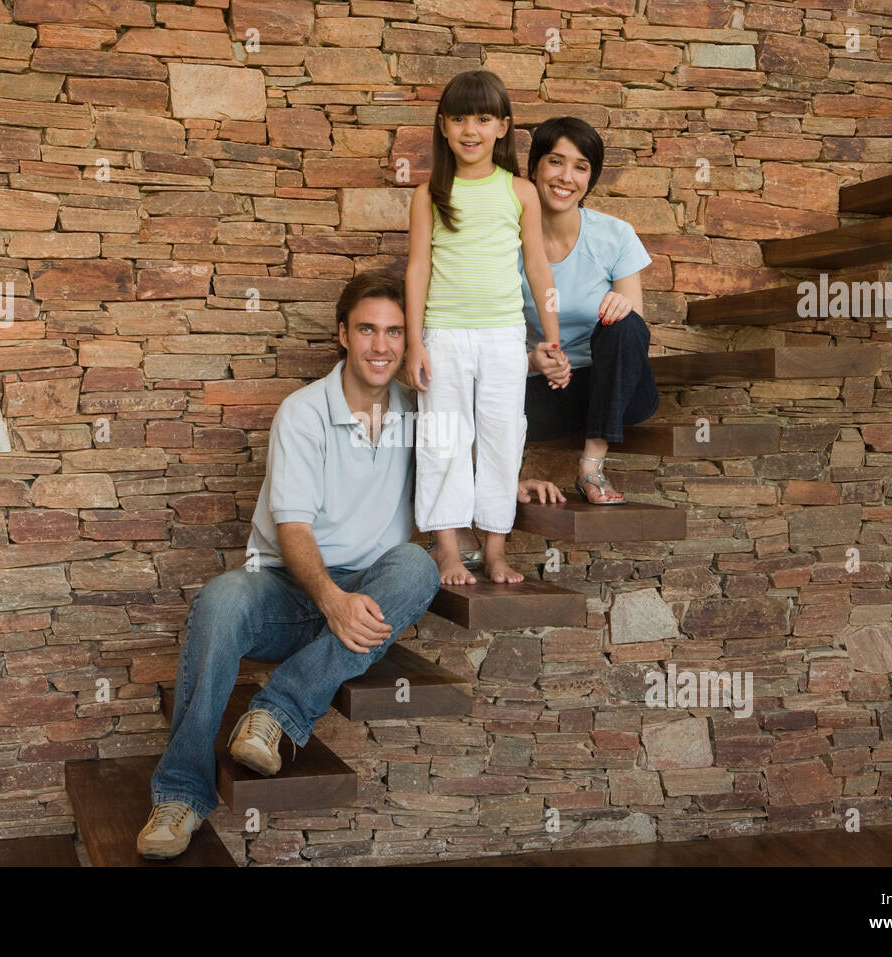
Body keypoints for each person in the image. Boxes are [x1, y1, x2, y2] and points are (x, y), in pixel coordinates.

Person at [138, 270, 564, 860]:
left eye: (394, 332)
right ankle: (181, 792)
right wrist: (330, 601)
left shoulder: (418, 408)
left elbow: (458, 463)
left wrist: (512, 485)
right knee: (219, 601)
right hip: (288, 591)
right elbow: (294, 529)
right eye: (368, 330)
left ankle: (276, 714)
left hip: (369, 593)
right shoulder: (303, 413)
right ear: (343, 334)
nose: (382, 345)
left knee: (415, 567)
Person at [405, 69, 566, 587]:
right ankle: (448, 550)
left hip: (501, 337)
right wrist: (414, 344)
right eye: (459, 118)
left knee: (502, 438)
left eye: (483, 118)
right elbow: (418, 268)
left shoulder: (519, 191)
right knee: (443, 441)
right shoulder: (430, 191)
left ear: (502, 127)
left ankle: (495, 549)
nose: (470, 129)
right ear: (443, 127)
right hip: (444, 335)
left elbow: (538, 268)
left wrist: (552, 335)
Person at [519, 117, 660, 505]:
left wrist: (622, 304)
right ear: (534, 167)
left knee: (624, 323)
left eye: (580, 167)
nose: (567, 177)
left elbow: (634, 335)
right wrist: (533, 361)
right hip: (552, 390)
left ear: (590, 179)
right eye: (556, 161)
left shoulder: (615, 235)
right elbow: (495, 335)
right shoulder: (506, 244)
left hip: (619, 389)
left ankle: (592, 466)